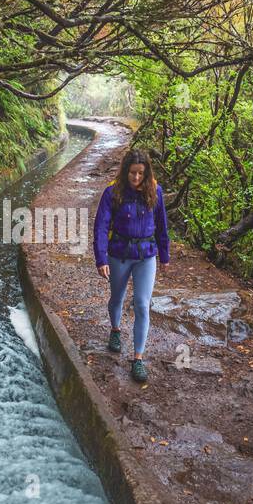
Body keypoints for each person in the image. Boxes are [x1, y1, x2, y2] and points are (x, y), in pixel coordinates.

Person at [92, 148, 169, 383]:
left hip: (146, 256)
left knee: (142, 305)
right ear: (126, 171)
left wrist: (164, 256)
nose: (136, 178)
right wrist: (101, 258)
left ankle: (138, 358)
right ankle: (115, 331)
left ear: (146, 174)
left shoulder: (155, 191)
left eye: (140, 174)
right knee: (117, 297)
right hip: (119, 254)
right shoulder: (112, 193)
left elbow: (162, 225)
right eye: (133, 173)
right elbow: (101, 227)